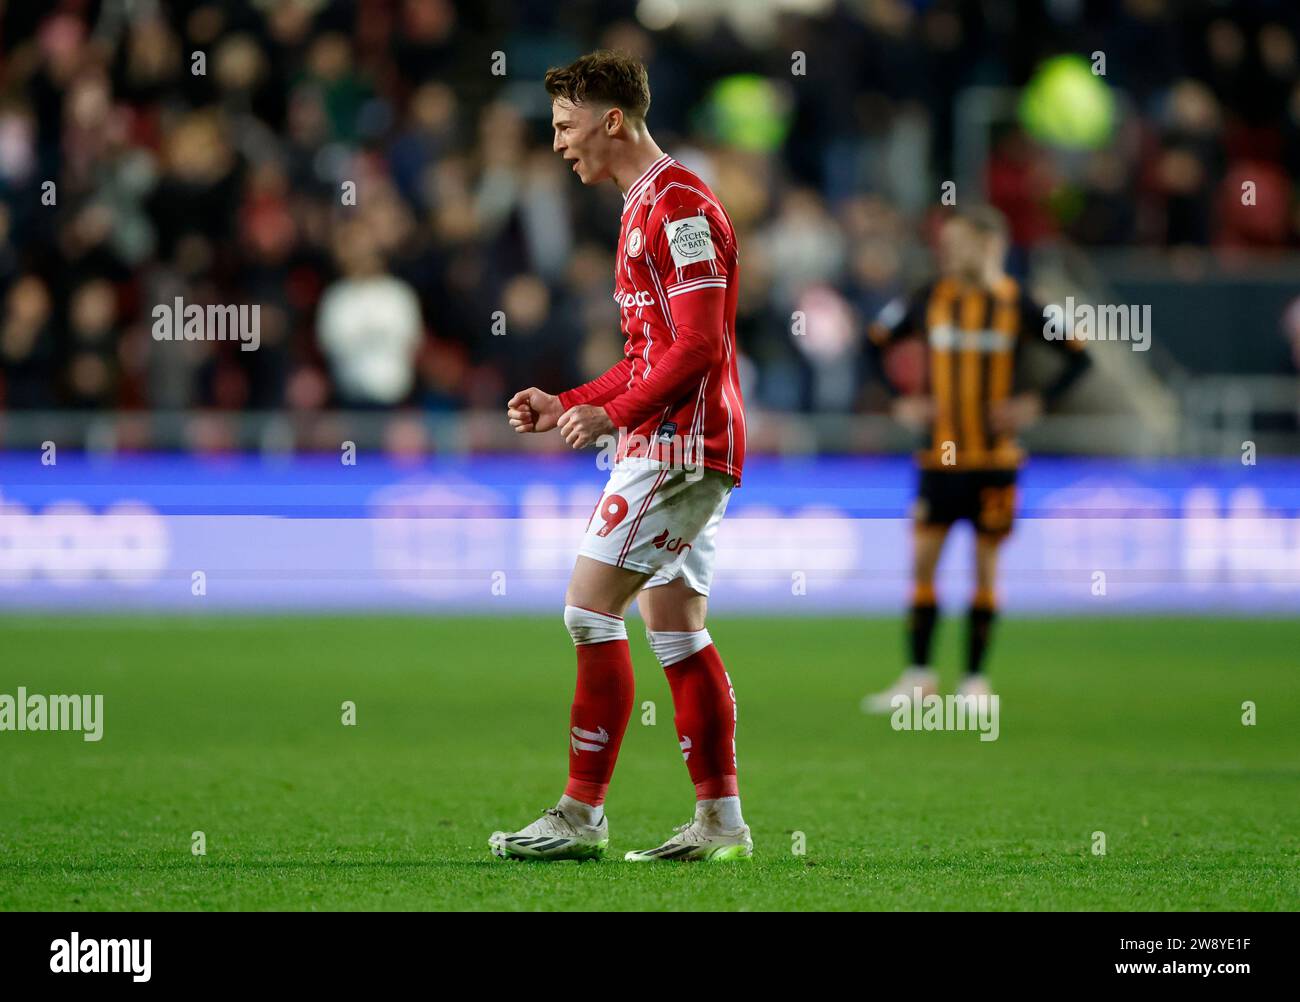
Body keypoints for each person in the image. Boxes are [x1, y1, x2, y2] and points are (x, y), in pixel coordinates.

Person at [490, 50, 751, 863]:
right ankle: (721, 825)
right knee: (674, 628)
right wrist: (570, 403)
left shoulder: (679, 208)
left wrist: (614, 415)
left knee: (586, 607)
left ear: (611, 121)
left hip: (681, 443)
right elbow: (649, 350)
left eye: (567, 127)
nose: (559, 144)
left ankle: (579, 815)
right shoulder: (641, 206)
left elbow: (700, 346)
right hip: (663, 435)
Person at [863, 206, 1090, 712]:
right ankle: (919, 675)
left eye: (960, 242)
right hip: (938, 460)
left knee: (985, 568)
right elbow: (871, 343)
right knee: (923, 564)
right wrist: (900, 399)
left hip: (994, 460)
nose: (949, 251)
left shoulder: (1020, 305)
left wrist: (1037, 403)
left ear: (992, 245)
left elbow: (1080, 357)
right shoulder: (929, 299)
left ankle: (974, 681)